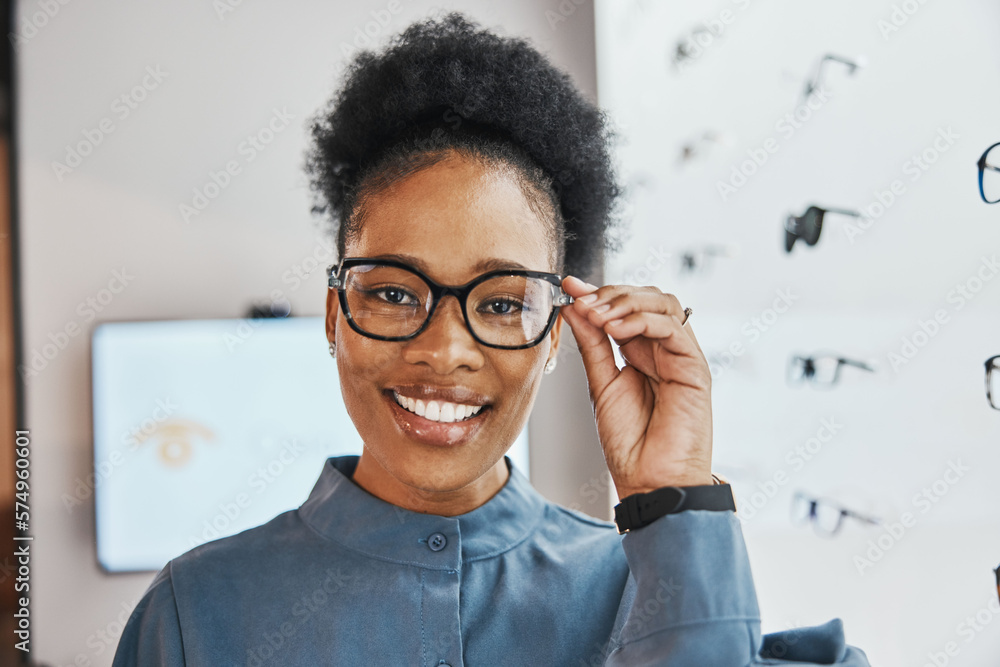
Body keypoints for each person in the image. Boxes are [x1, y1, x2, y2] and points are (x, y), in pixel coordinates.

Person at [113, 13, 869, 666]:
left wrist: (673, 491)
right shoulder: (195, 615)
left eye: (502, 302)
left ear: (552, 337)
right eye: (394, 292)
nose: (445, 351)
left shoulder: (654, 589)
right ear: (335, 315)